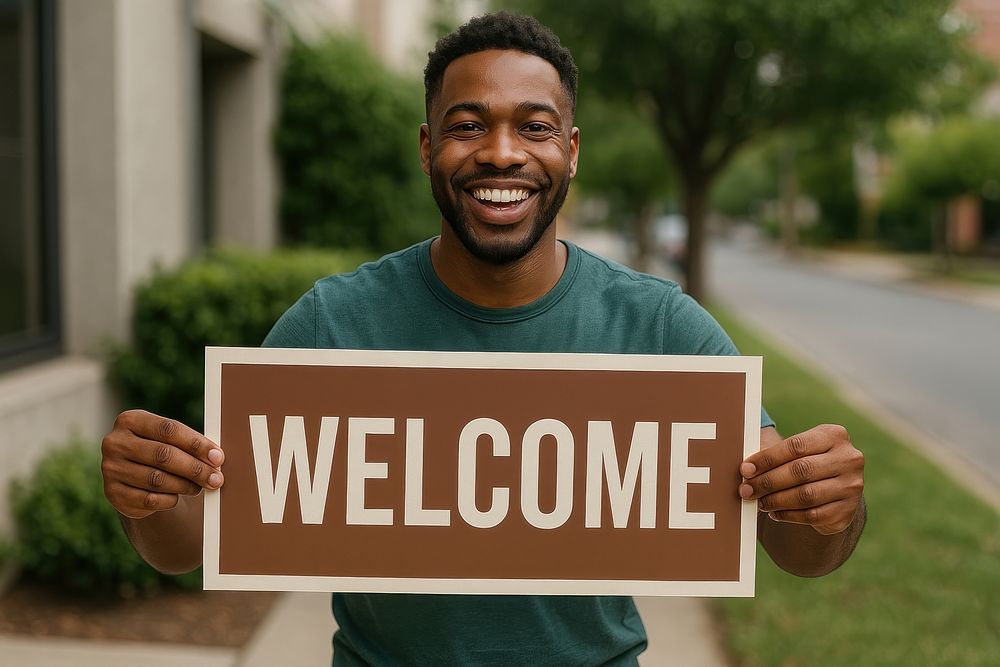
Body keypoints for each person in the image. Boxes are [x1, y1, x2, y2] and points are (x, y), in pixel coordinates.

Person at [101, 12, 865, 666]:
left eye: (533, 127)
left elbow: (798, 549)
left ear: (571, 149)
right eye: (469, 126)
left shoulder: (663, 328)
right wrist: (148, 496)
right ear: (428, 145)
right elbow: (191, 541)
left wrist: (831, 510)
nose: (501, 152)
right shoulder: (332, 325)